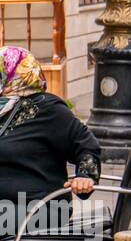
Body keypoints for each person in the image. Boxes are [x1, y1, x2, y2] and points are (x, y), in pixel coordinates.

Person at [0, 47, 99, 222]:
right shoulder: (3, 110)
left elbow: (86, 145)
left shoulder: (48, 109)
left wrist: (84, 177)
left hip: (39, 208)